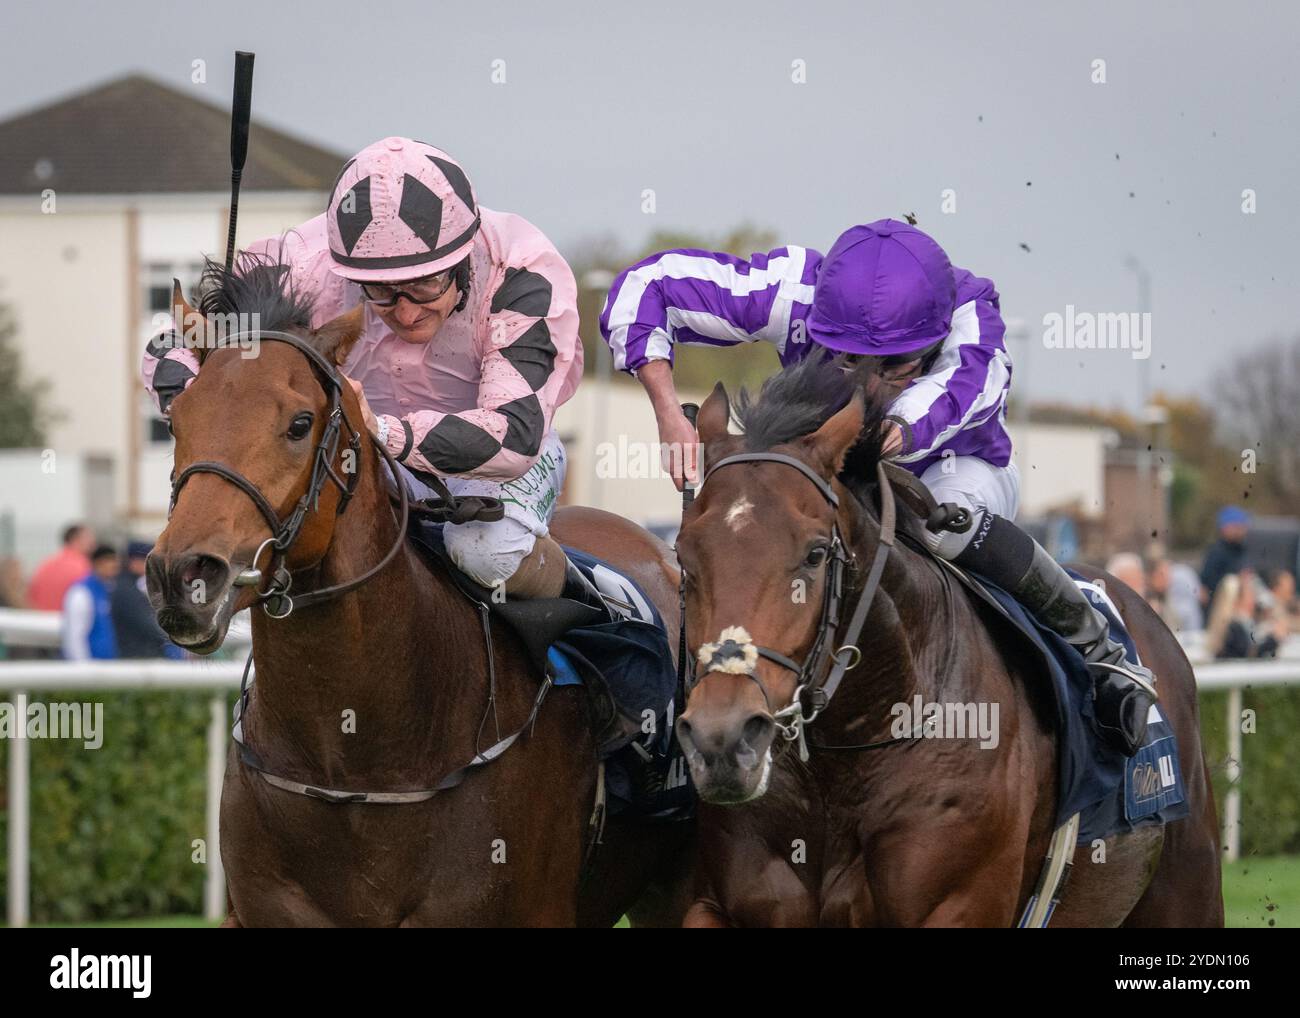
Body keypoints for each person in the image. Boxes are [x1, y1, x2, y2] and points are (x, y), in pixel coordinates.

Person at [600, 218, 1155, 755]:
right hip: (823, 462)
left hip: (950, 463)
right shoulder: (795, 290)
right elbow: (645, 288)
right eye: (846, 358)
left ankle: (1098, 645)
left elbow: (958, 395)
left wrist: (884, 430)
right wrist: (668, 410)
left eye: (895, 366)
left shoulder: (972, 318)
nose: (869, 381)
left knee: (947, 528)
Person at [142, 137, 610, 617]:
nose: (405, 312)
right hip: (366, 455)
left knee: (486, 551)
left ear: (462, 259)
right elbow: (168, 344)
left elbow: (513, 435)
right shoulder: (305, 260)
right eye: (380, 292)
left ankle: (598, 595)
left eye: (426, 284)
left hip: (499, 462)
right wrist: (201, 401)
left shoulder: (522, 271)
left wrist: (381, 430)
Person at [111, 540, 184, 659]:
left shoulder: (130, 585)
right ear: (134, 562)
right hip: (137, 656)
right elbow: (148, 623)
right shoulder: (127, 590)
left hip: (139, 654)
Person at [61, 545, 119, 661]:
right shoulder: (81, 593)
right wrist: (83, 668)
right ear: (96, 563)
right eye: (108, 560)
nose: (114, 565)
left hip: (110, 665)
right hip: (91, 667)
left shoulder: (110, 589)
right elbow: (74, 636)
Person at [27, 523, 94, 611]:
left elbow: (31, 596)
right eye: (89, 539)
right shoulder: (84, 567)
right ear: (76, 540)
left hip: (41, 619)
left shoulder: (45, 565)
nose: (93, 544)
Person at [1200, 506, 1249, 607]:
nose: (1242, 530)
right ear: (1225, 528)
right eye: (1238, 526)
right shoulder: (1217, 552)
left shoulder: (1241, 549)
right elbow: (1207, 585)